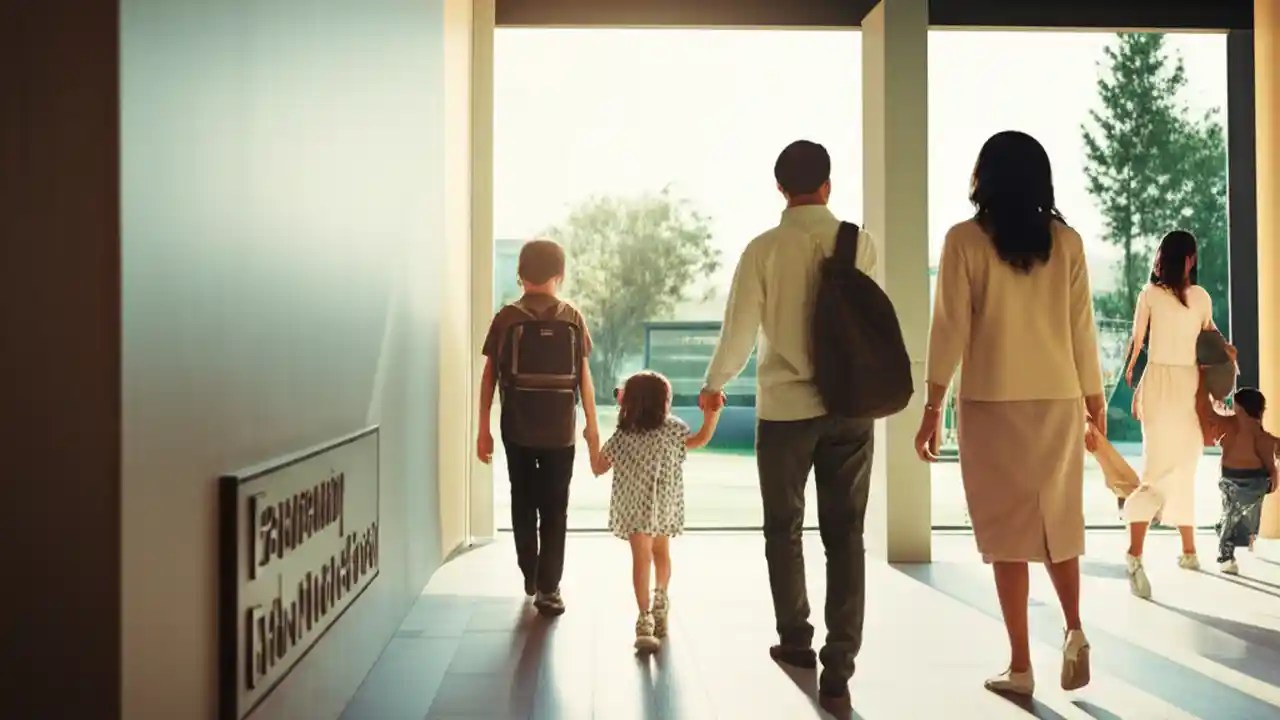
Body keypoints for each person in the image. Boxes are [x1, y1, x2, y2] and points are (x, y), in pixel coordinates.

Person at [915, 131, 1104, 696]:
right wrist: (1094, 403)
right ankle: (1073, 627)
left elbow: (948, 327)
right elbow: (1082, 330)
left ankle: (1021, 665)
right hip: (1059, 398)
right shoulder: (1066, 242)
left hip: (992, 403)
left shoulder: (964, 241)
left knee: (1007, 536)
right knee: (1057, 525)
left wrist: (932, 407)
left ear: (984, 178)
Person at [699, 140, 878, 711]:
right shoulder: (858, 243)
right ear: (827, 185)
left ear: (780, 188)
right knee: (845, 535)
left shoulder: (763, 250)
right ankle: (840, 670)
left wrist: (714, 384)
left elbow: (740, 331)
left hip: (783, 412)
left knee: (785, 528)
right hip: (850, 408)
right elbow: (874, 323)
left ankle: (796, 641)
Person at [476, 239, 601, 617]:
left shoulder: (507, 318)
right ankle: (550, 588)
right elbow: (584, 377)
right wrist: (591, 427)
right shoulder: (571, 317)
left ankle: (529, 573)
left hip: (517, 428)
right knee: (555, 507)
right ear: (559, 275)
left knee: (522, 500)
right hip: (561, 431)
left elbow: (489, 377)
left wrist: (483, 428)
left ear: (520, 274)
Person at [1121, 230, 1233, 598]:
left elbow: (1210, 339)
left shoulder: (1200, 298)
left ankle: (1188, 550)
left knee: (1186, 463)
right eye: (1191, 255)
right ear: (1183, 258)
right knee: (1156, 471)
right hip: (1160, 386)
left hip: (1187, 386)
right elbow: (1138, 342)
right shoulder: (1149, 295)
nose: (1194, 261)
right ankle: (1134, 556)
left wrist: (1226, 354)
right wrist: (1131, 380)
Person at [588, 371, 721, 652]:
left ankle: (651, 610)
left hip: (644, 507)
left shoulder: (628, 434)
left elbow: (598, 467)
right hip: (655, 507)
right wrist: (711, 415)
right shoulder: (666, 429)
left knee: (647, 557)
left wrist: (591, 438)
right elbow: (699, 439)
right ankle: (653, 605)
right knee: (655, 555)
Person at [1195, 381, 1278, 574]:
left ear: (1239, 408)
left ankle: (1226, 545)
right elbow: (1269, 459)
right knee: (1238, 516)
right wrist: (1274, 473)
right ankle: (1227, 540)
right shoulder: (1258, 433)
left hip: (1234, 479)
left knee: (1232, 513)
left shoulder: (1230, 424)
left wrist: (1205, 387)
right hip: (1252, 481)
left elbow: (1208, 412)